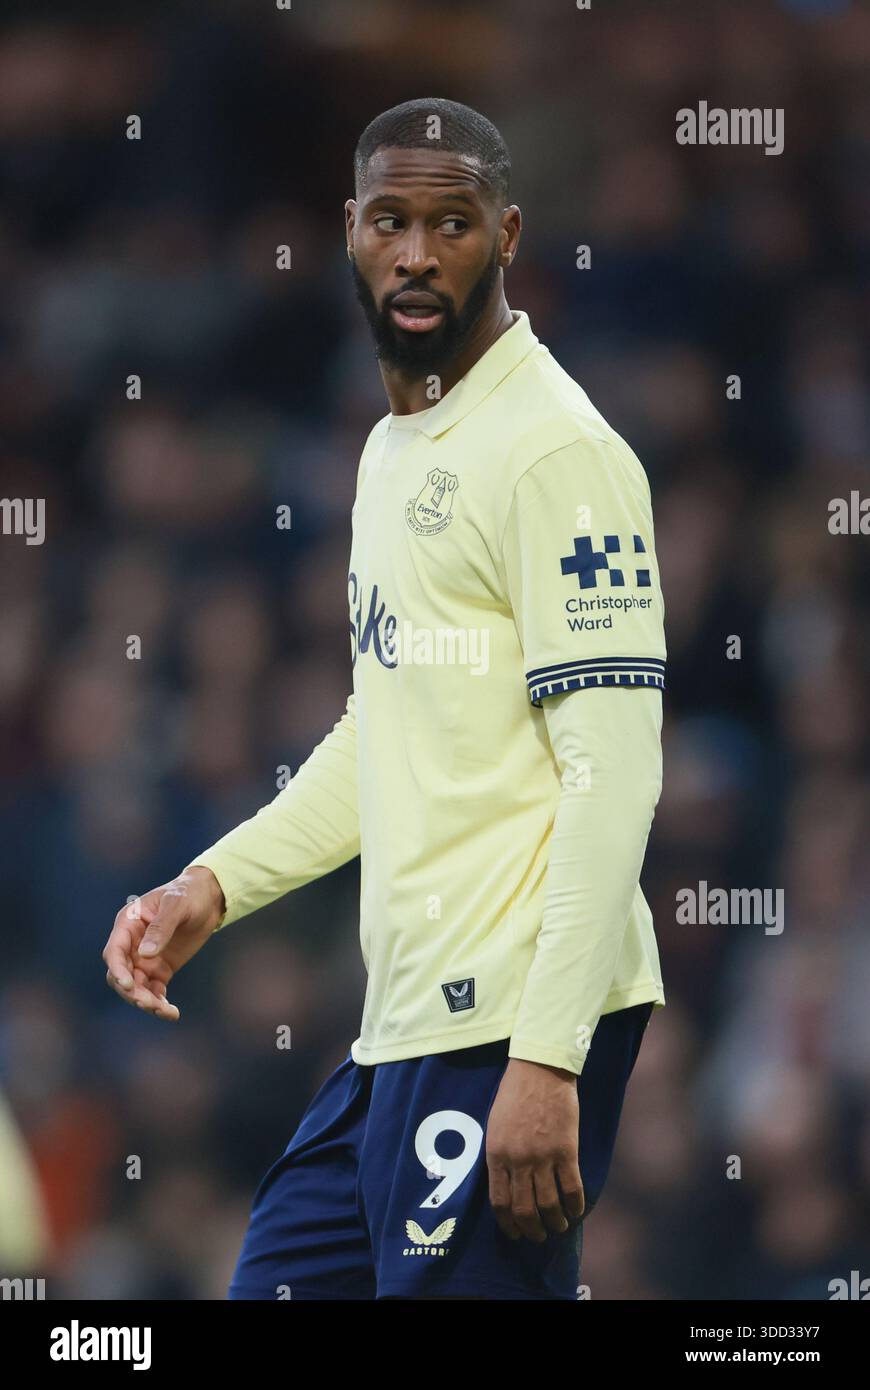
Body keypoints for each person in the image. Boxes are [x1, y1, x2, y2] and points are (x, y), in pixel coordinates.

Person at [103, 98, 667, 1301]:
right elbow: (386, 728)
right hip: (402, 1027)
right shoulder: (395, 447)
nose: (417, 252)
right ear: (349, 232)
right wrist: (214, 881)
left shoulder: (559, 456)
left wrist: (547, 1059)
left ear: (507, 236)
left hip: (508, 1025)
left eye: (452, 223)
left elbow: (613, 771)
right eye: (392, 222)